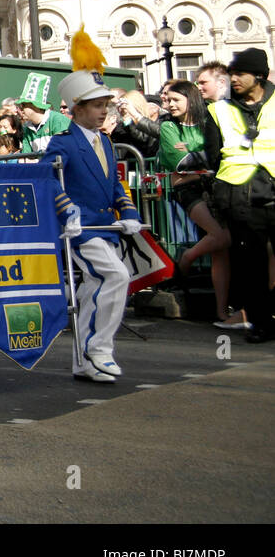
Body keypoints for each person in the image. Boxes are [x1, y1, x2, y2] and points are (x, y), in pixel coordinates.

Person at [45, 31, 141, 383]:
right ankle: (100, 350)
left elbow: (116, 184)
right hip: (81, 229)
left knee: (91, 290)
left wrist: (128, 212)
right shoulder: (61, 142)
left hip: (107, 227)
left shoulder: (106, 141)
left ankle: (84, 362)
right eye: (98, 105)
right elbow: (48, 180)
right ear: (77, 108)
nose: (104, 111)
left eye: (106, 105)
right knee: (115, 276)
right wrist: (66, 209)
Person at [203, 47, 275, 343]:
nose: (234, 79)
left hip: (272, 186)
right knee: (251, 265)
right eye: (232, 74)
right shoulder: (218, 109)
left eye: (240, 74)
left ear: (259, 76)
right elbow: (212, 156)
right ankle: (261, 324)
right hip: (239, 194)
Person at [158, 79, 235, 327]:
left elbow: (220, 153)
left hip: (216, 187)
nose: (169, 105)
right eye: (168, 100)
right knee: (221, 237)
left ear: (190, 99)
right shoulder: (168, 127)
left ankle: (222, 312)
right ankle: (185, 260)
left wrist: (194, 153)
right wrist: (202, 155)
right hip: (187, 190)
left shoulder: (208, 121)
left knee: (219, 251)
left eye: (175, 100)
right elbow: (178, 162)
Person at [16, 72, 70, 153]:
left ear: (35, 105)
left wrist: (37, 161)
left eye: (24, 105)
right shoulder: (26, 129)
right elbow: (26, 158)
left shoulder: (58, 120)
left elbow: (64, 153)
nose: (21, 109)